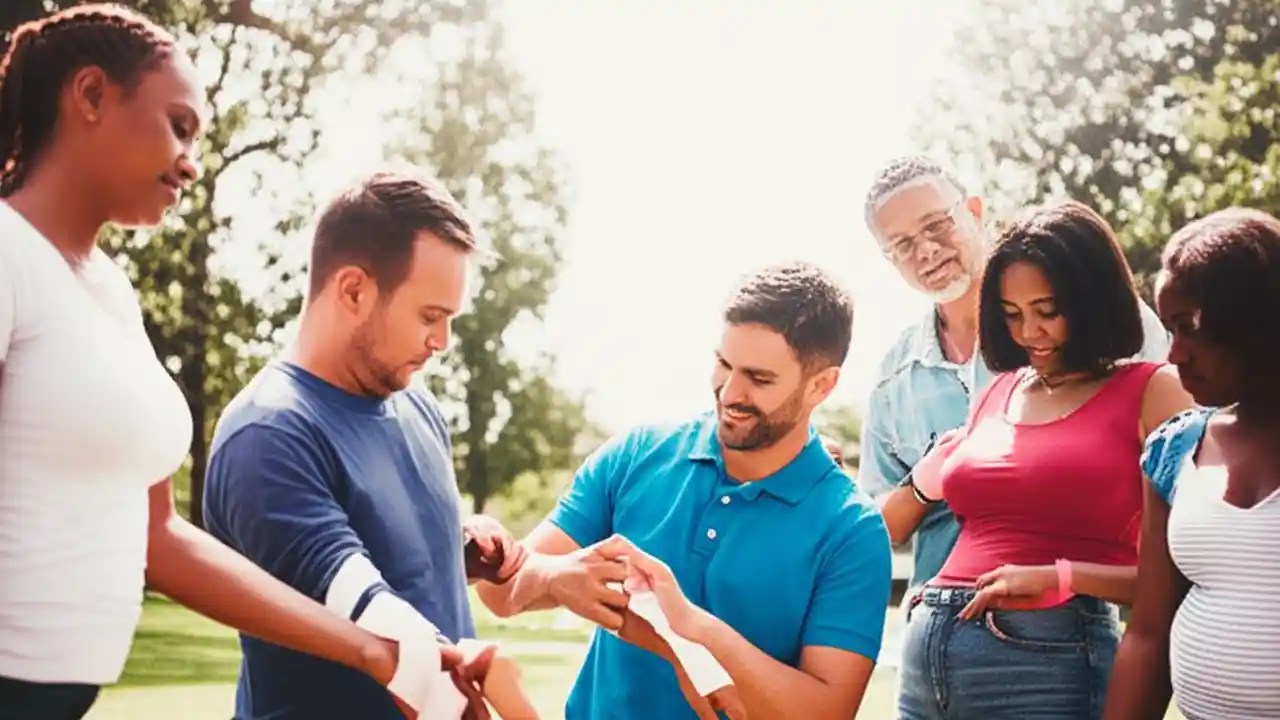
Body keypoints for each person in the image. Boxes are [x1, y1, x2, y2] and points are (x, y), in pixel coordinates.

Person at [0, 6, 485, 719]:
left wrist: (379, 651)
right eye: (178, 125)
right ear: (92, 96)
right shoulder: (8, 258)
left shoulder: (108, 292)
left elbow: (157, 536)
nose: (191, 161)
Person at [475, 261, 894, 720]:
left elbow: (826, 713)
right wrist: (554, 576)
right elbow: (501, 592)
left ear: (821, 385)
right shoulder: (637, 455)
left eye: (759, 378)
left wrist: (689, 627)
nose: (729, 391)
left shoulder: (852, 529)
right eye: (723, 363)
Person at [203, 172, 540, 720]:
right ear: (354, 290)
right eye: (430, 316)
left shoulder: (418, 406)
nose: (442, 342)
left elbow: (390, 555)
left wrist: (460, 550)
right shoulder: (268, 436)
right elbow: (369, 613)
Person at [895, 200, 1194, 719]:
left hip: (1046, 659)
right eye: (1011, 315)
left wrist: (1062, 576)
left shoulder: (1154, 390)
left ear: (1091, 300)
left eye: (1046, 310)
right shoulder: (1000, 391)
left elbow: (1188, 567)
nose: (1028, 333)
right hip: (927, 659)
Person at [859, 155, 1173, 595]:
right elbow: (873, 531)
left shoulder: (1100, 324)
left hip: (1064, 626)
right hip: (932, 628)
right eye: (903, 244)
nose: (926, 250)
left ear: (973, 210)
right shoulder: (894, 381)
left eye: (935, 225)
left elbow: (1178, 479)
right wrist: (922, 487)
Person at [1103, 208, 1280, 720]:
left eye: (1189, 328)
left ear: (1253, 320)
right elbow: (1148, 632)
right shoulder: (1174, 450)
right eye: (1168, 330)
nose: (1174, 354)